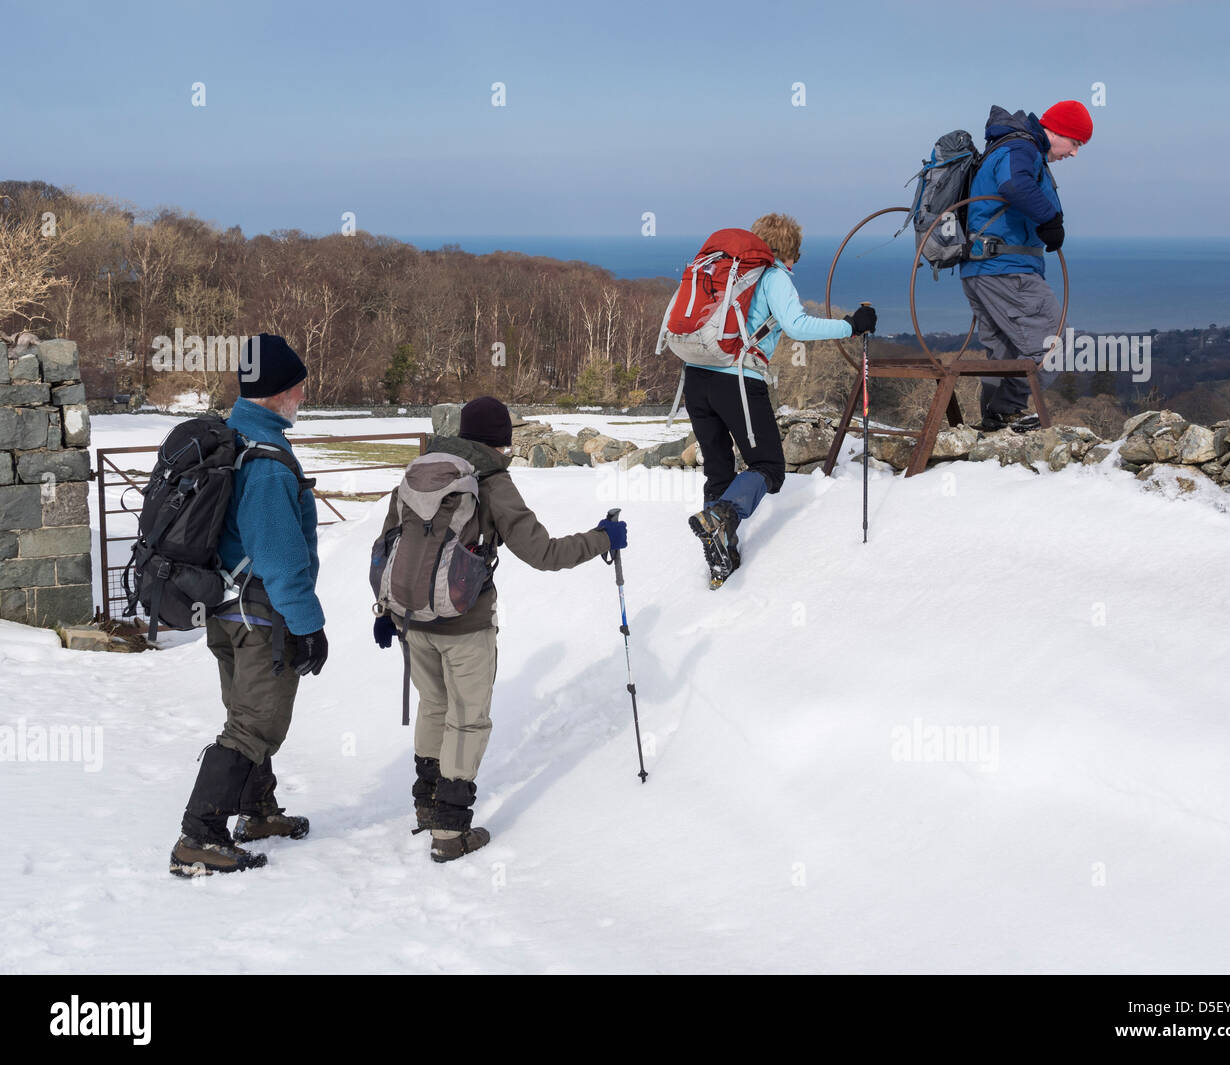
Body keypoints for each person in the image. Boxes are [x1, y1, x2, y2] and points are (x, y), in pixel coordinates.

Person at [374, 396, 626, 862]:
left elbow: (387, 545)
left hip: (410, 620)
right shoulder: (491, 481)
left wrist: (384, 613)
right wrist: (602, 539)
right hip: (466, 624)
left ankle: (427, 807)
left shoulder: (419, 472)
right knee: (467, 719)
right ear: (500, 443)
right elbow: (543, 554)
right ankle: (450, 833)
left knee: (434, 705)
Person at [169, 334, 328, 877]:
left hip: (222, 606)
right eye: (298, 385)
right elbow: (282, 560)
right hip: (260, 613)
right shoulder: (265, 462)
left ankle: (257, 810)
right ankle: (200, 835)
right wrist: (308, 628)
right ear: (278, 391)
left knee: (246, 715)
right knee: (255, 725)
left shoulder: (231, 435)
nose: (303, 394)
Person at [685, 212, 875, 584]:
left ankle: (722, 555)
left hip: (695, 376)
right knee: (769, 466)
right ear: (788, 252)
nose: (795, 264)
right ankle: (723, 515)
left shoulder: (724, 272)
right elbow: (796, 325)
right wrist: (852, 325)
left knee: (719, 469)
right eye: (797, 256)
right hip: (737, 380)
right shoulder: (772, 276)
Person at [960, 100, 1093, 431]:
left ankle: (995, 422)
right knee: (1055, 348)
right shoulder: (1022, 146)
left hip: (981, 269)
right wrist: (1051, 218)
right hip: (1008, 269)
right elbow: (1014, 185)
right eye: (1075, 143)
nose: (1074, 153)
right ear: (1056, 131)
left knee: (1003, 356)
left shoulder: (1007, 145)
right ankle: (1007, 411)